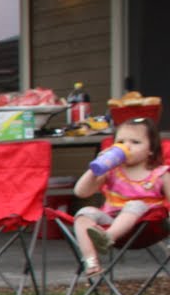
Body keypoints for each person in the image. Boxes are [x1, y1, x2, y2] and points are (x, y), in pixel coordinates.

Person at [70, 117, 169, 274]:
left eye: (135, 142)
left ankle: (107, 237)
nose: (126, 146)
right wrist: (96, 167)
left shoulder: (160, 174)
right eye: (121, 142)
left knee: (134, 204)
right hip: (111, 220)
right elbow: (81, 192)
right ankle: (91, 261)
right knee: (83, 214)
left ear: (151, 149)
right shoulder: (112, 171)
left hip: (145, 226)